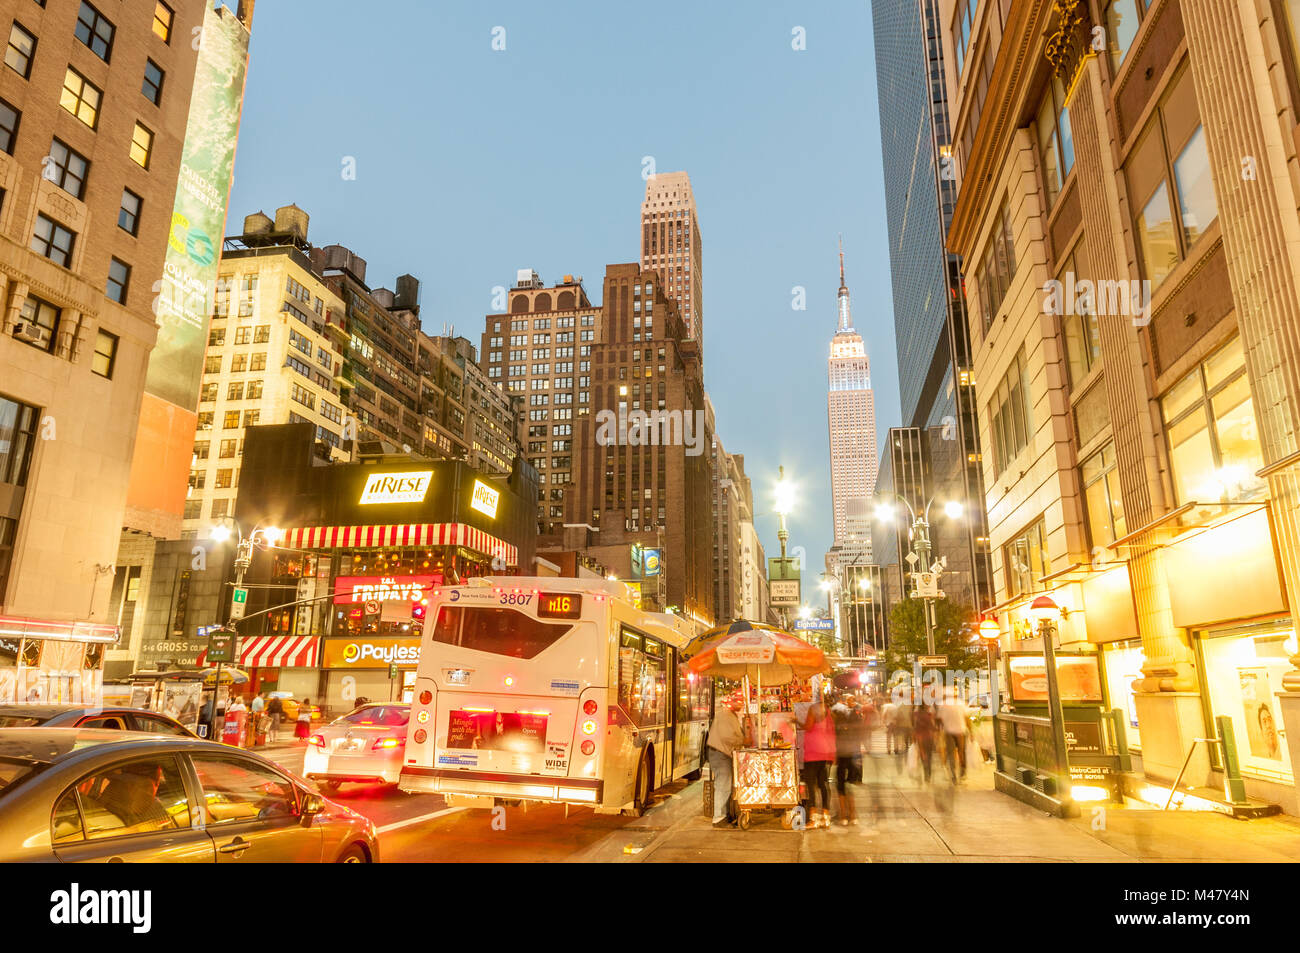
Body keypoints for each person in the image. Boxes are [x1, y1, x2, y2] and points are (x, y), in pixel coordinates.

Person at [707, 690, 752, 828]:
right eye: (739, 702)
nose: (741, 705)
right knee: (723, 785)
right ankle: (719, 818)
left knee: (726, 785)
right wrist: (743, 740)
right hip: (720, 754)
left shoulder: (730, 715)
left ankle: (725, 815)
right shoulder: (725, 715)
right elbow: (728, 737)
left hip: (724, 754)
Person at [800, 691, 836, 828]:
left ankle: (813, 819)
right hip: (825, 752)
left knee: (811, 785)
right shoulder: (827, 711)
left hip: (812, 752)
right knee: (823, 785)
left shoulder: (813, 709)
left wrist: (797, 723)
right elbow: (832, 732)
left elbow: (808, 726)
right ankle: (826, 817)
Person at [830, 694, 862, 826]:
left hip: (842, 757)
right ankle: (853, 815)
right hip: (852, 757)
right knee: (849, 787)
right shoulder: (852, 725)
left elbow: (834, 743)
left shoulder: (836, 728)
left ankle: (843, 815)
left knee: (841, 787)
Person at [937, 689, 970, 783]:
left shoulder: (942, 705)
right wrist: (971, 731)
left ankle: (953, 775)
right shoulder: (961, 703)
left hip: (948, 732)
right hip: (961, 731)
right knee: (961, 752)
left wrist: (940, 729)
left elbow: (939, 720)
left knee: (951, 753)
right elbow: (966, 718)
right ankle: (963, 772)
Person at [911, 703, 936, 784]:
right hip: (928, 738)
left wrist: (914, 737)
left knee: (924, 756)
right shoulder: (928, 715)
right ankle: (928, 774)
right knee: (929, 757)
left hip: (921, 738)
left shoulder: (916, 714)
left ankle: (927, 774)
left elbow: (915, 727)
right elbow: (932, 726)